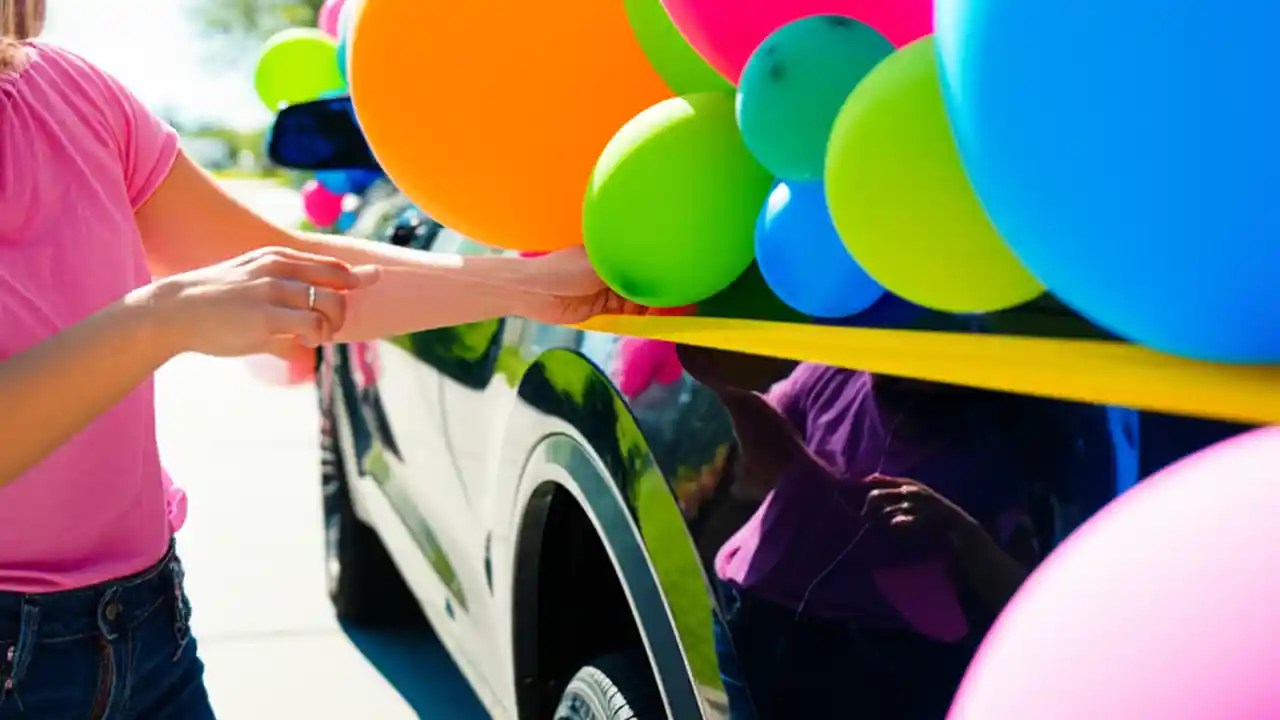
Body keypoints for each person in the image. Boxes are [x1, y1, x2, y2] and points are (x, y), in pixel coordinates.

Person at [0, 5, 648, 717]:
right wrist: (159, 320)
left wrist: (527, 288)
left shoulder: (72, 93)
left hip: (148, 626)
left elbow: (297, 274)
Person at [678, 347, 1112, 720]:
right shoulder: (837, 367)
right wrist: (730, 392)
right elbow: (760, 470)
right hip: (758, 611)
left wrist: (957, 526)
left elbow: (1023, 600)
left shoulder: (1004, 442)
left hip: (881, 659)